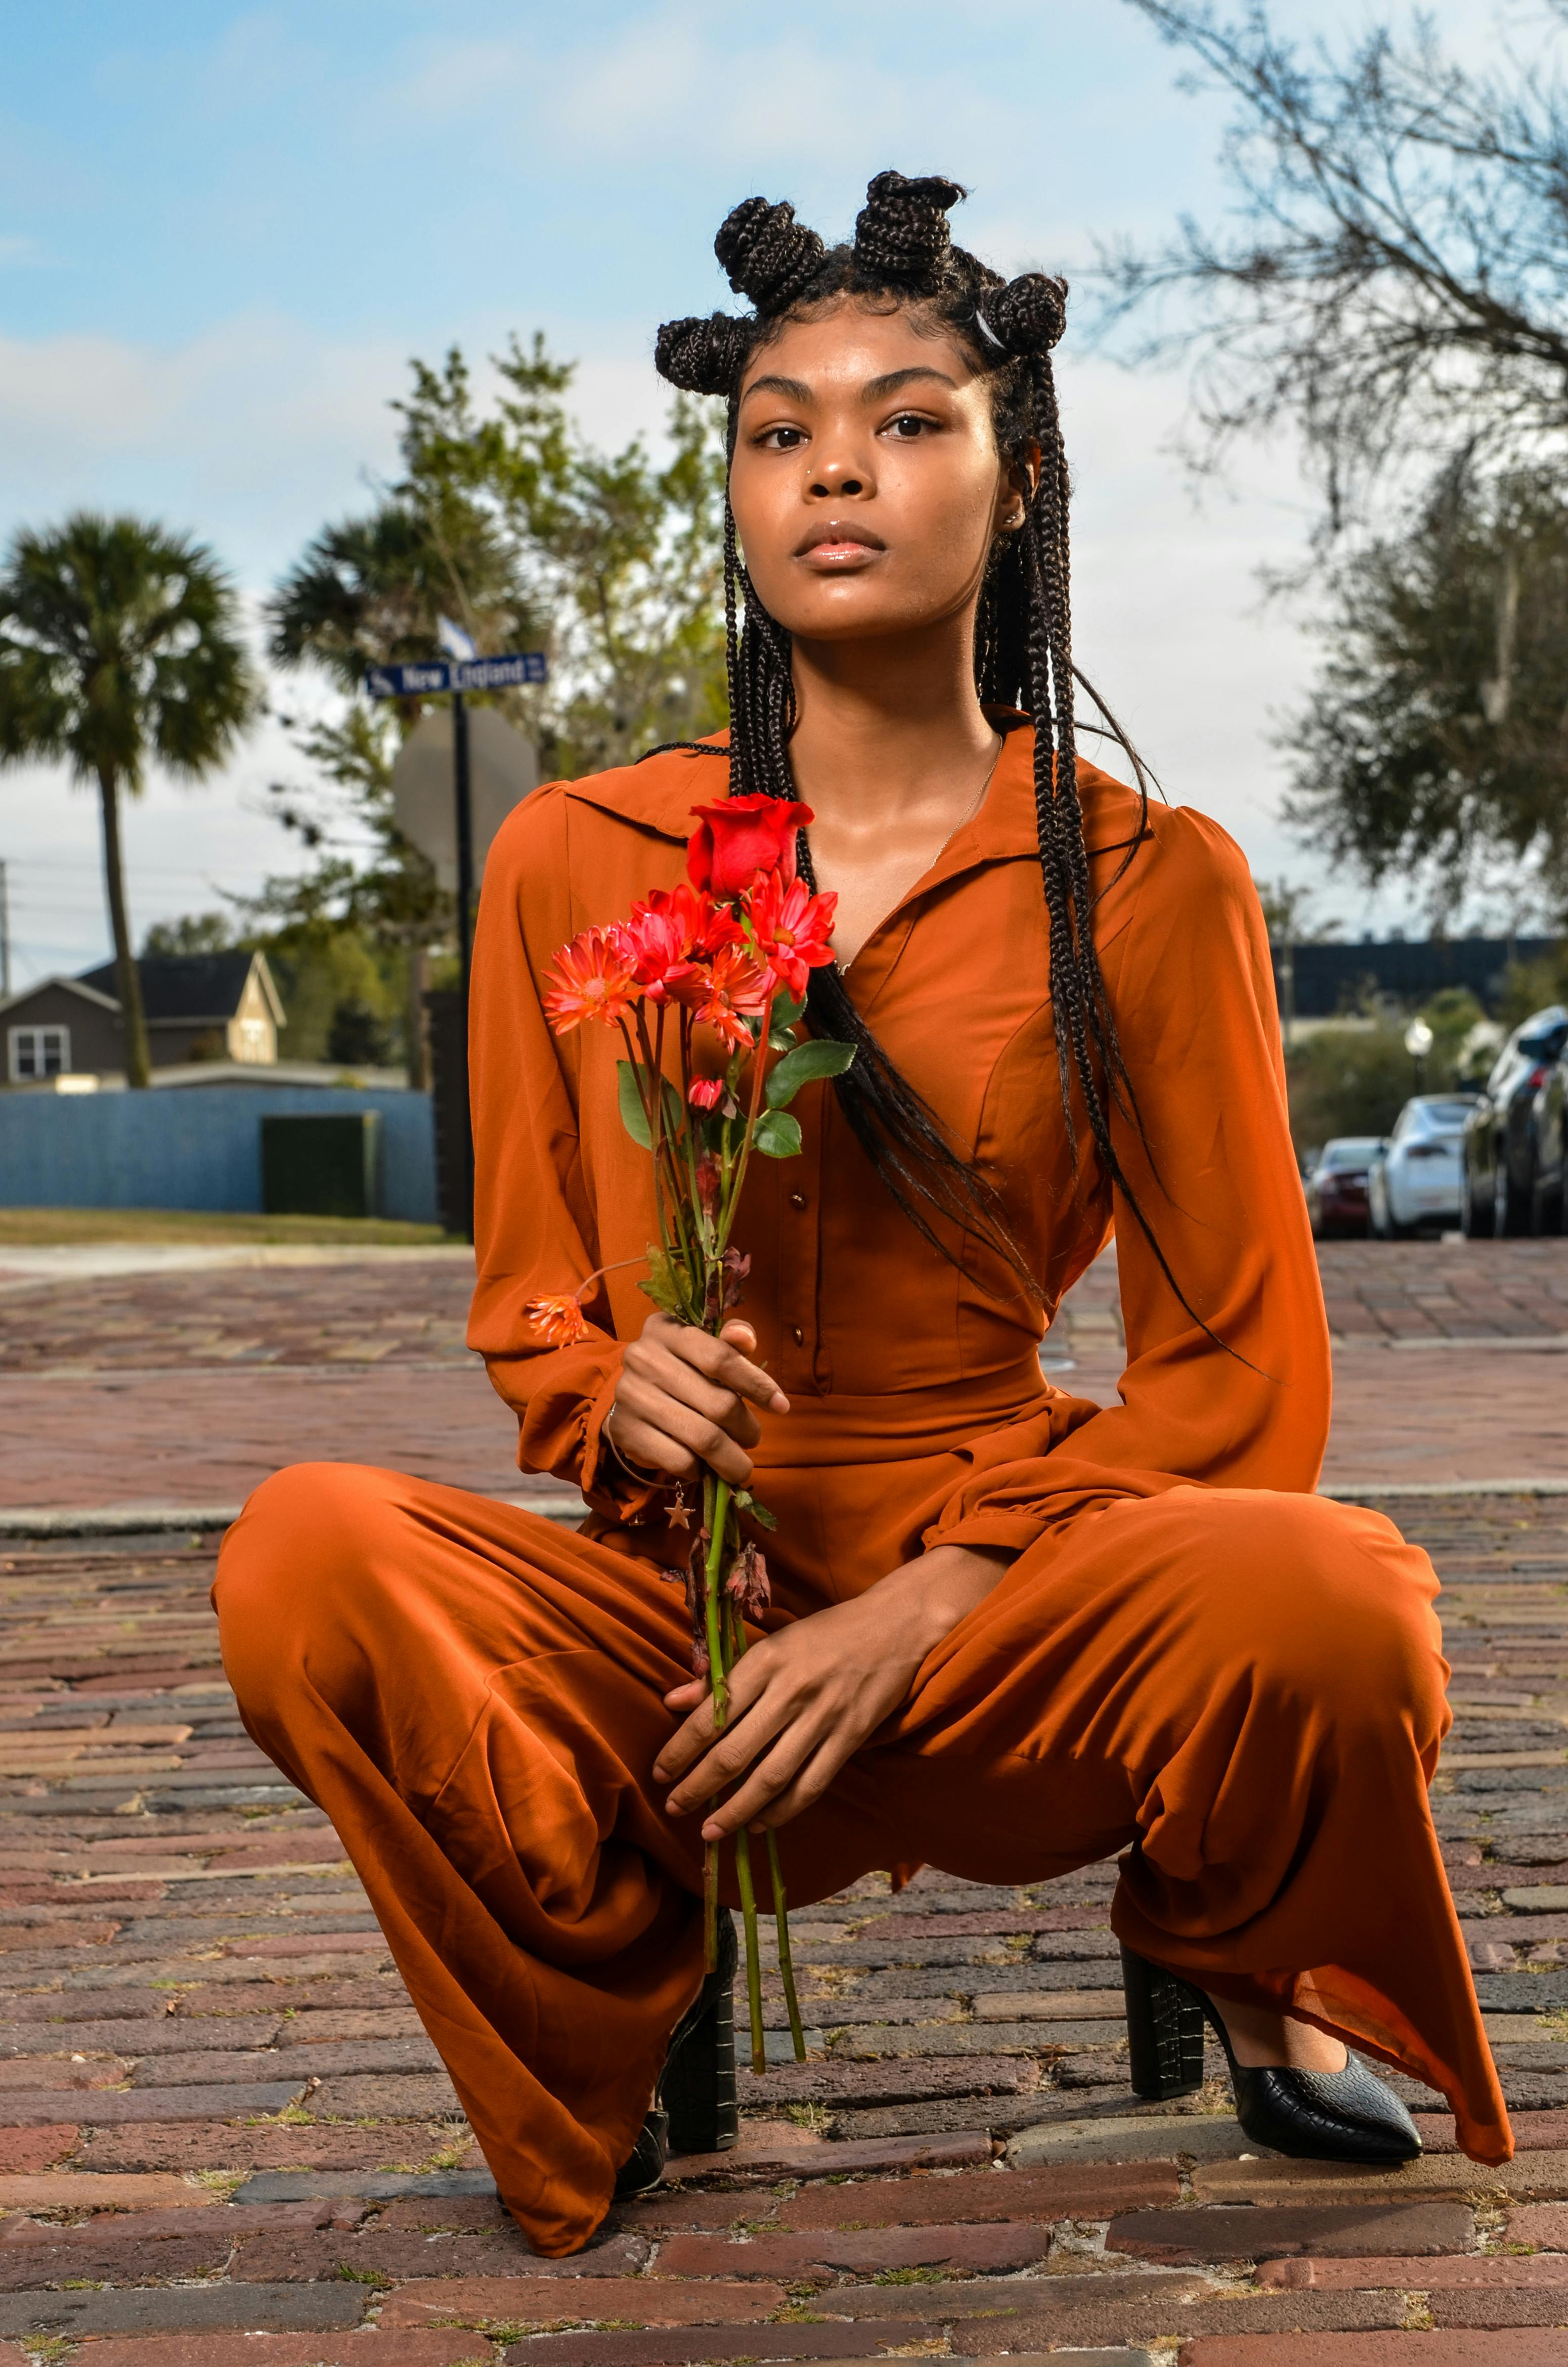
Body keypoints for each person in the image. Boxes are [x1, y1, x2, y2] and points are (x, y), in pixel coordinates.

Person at [213, 170, 1508, 2260]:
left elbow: (1238, 1375)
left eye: (909, 421)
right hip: (685, 1641)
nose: (836, 466)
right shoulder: (584, 850)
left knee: (1335, 1605)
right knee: (303, 1555)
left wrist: (945, 1595)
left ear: (1015, 482)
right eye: (782, 426)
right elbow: (530, 1296)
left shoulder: (1148, 880)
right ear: (733, 487)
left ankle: (1241, 1958)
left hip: (1015, 1612)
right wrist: (604, 1388)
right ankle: (582, 2036)